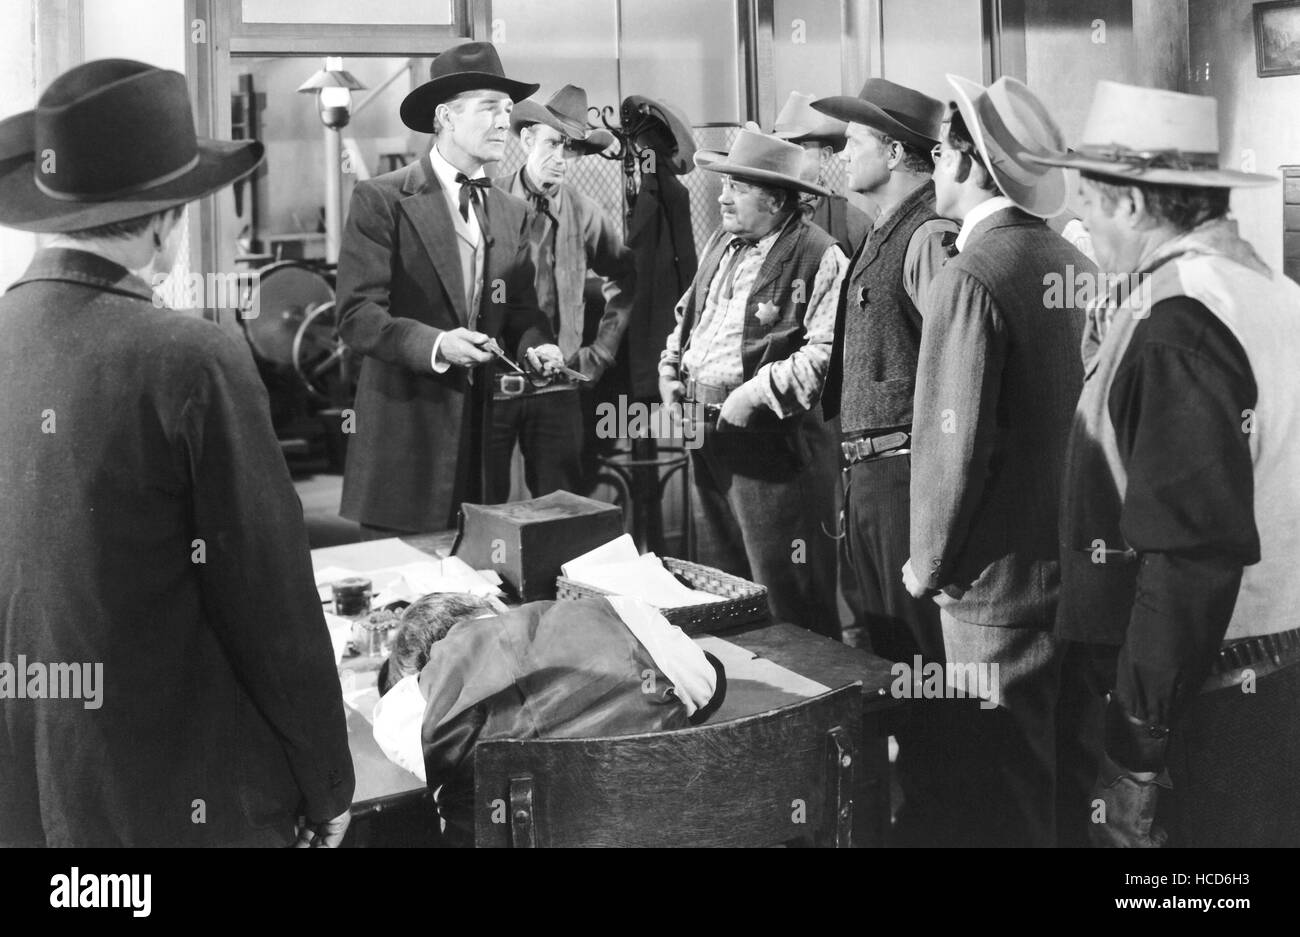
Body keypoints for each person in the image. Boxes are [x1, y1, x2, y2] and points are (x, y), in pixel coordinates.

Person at [0, 59, 354, 847]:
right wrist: (329, 782)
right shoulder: (190, 357)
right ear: (167, 219)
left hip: (35, 800)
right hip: (176, 803)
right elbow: (271, 605)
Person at [1030, 80, 1300, 847]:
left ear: (1133, 204)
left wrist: (1135, 752)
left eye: (1086, 196)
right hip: (1267, 686)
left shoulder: (1178, 317)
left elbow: (1188, 555)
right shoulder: (1273, 293)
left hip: (1195, 707)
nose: (1077, 216)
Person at [904, 75, 1095, 847]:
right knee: (1068, 790)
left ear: (970, 164)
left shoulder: (972, 276)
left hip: (992, 593)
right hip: (1073, 576)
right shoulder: (1071, 264)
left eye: (941, 152)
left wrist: (928, 561)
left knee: (1002, 803)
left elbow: (954, 448)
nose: (933, 165)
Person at [336, 42, 565, 537]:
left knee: (481, 597)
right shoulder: (382, 199)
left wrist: (536, 344)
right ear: (445, 117)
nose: (506, 122)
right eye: (490, 108)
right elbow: (357, 315)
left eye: (508, 111)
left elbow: (519, 307)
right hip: (405, 444)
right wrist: (438, 344)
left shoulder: (511, 211)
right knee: (407, 601)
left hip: (484, 448)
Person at [809, 80, 956, 843]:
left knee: (920, 665)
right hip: (868, 478)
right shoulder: (878, 233)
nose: (839, 157)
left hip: (903, 480)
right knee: (887, 657)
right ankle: (911, 812)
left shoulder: (927, 236)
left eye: (851, 144)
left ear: (896, 153)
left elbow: (958, 366)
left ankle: (935, 814)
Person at [658, 129, 848, 638]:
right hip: (705, 435)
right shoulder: (723, 244)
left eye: (737, 187)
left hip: (772, 449)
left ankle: (811, 700)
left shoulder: (818, 256)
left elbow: (827, 355)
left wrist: (753, 395)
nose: (721, 196)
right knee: (725, 588)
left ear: (777, 198)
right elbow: (691, 312)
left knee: (786, 593)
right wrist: (670, 367)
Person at [371, 591, 726, 845]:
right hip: (664, 831)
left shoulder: (406, 705)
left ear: (416, 669)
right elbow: (708, 683)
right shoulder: (622, 610)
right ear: (491, 604)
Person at [486, 85, 635, 502]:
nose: (560, 158)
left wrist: (600, 353)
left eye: (569, 148)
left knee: (561, 508)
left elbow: (626, 277)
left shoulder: (585, 213)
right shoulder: (488, 203)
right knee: (483, 505)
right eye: (552, 143)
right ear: (527, 139)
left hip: (558, 389)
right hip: (496, 386)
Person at [769, 91, 872, 255]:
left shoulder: (851, 222)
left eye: (800, 147)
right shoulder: (762, 210)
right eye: (783, 145)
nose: (789, 154)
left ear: (824, 157)